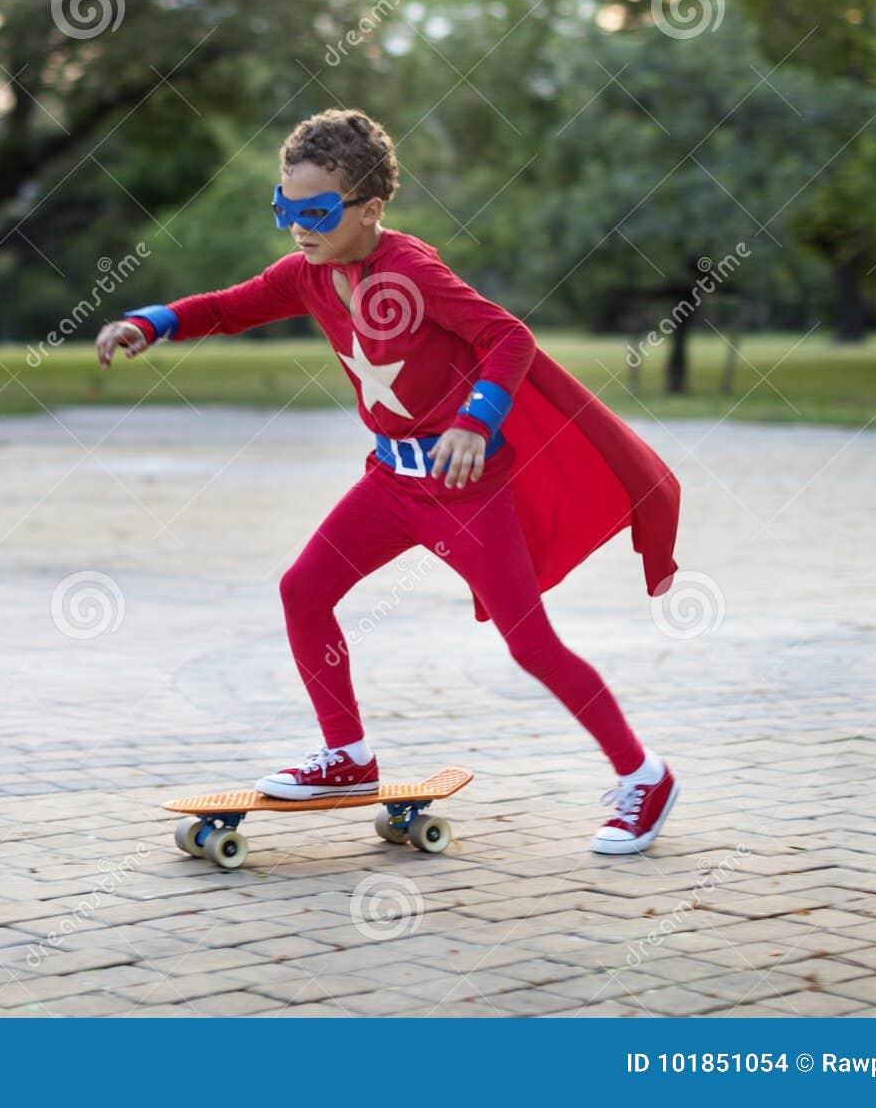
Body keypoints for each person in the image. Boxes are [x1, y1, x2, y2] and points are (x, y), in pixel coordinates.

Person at [95, 108, 682, 854]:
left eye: (313, 211)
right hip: (391, 484)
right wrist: (149, 322)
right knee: (303, 590)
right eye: (284, 207)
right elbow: (230, 306)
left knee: (529, 643)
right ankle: (346, 756)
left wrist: (477, 421)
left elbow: (509, 337)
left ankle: (644, 775)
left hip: (466, 490)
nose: (295, 227)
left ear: (370, 209)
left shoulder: (411, 271)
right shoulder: (308, 272)